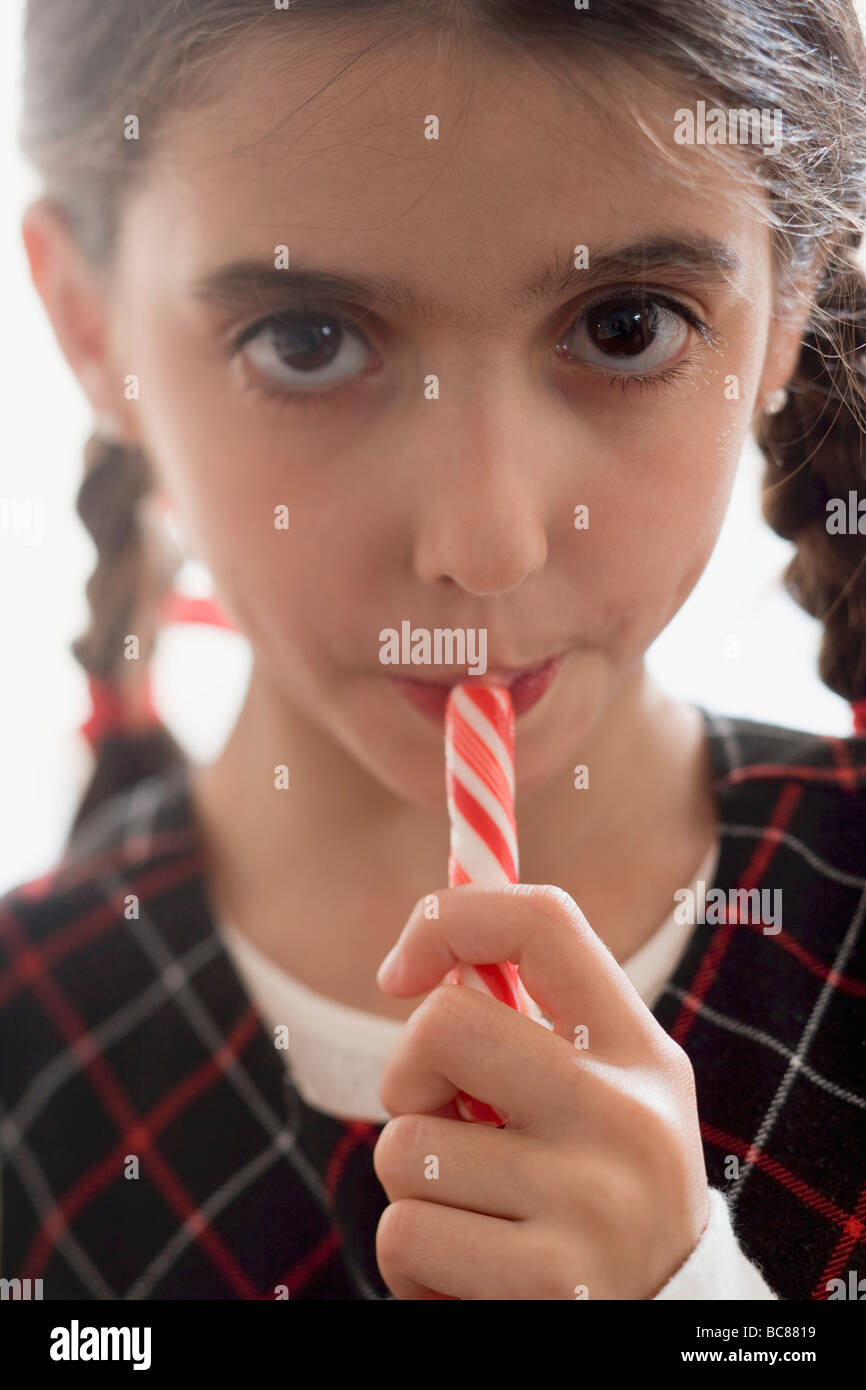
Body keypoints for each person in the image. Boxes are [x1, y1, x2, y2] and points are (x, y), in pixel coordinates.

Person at [2, 0, 865, 1301]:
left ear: (786, 299)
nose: (484, 542)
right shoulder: (33, 1056)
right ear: (90, 325)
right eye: (305, 341)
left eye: (626, 324)